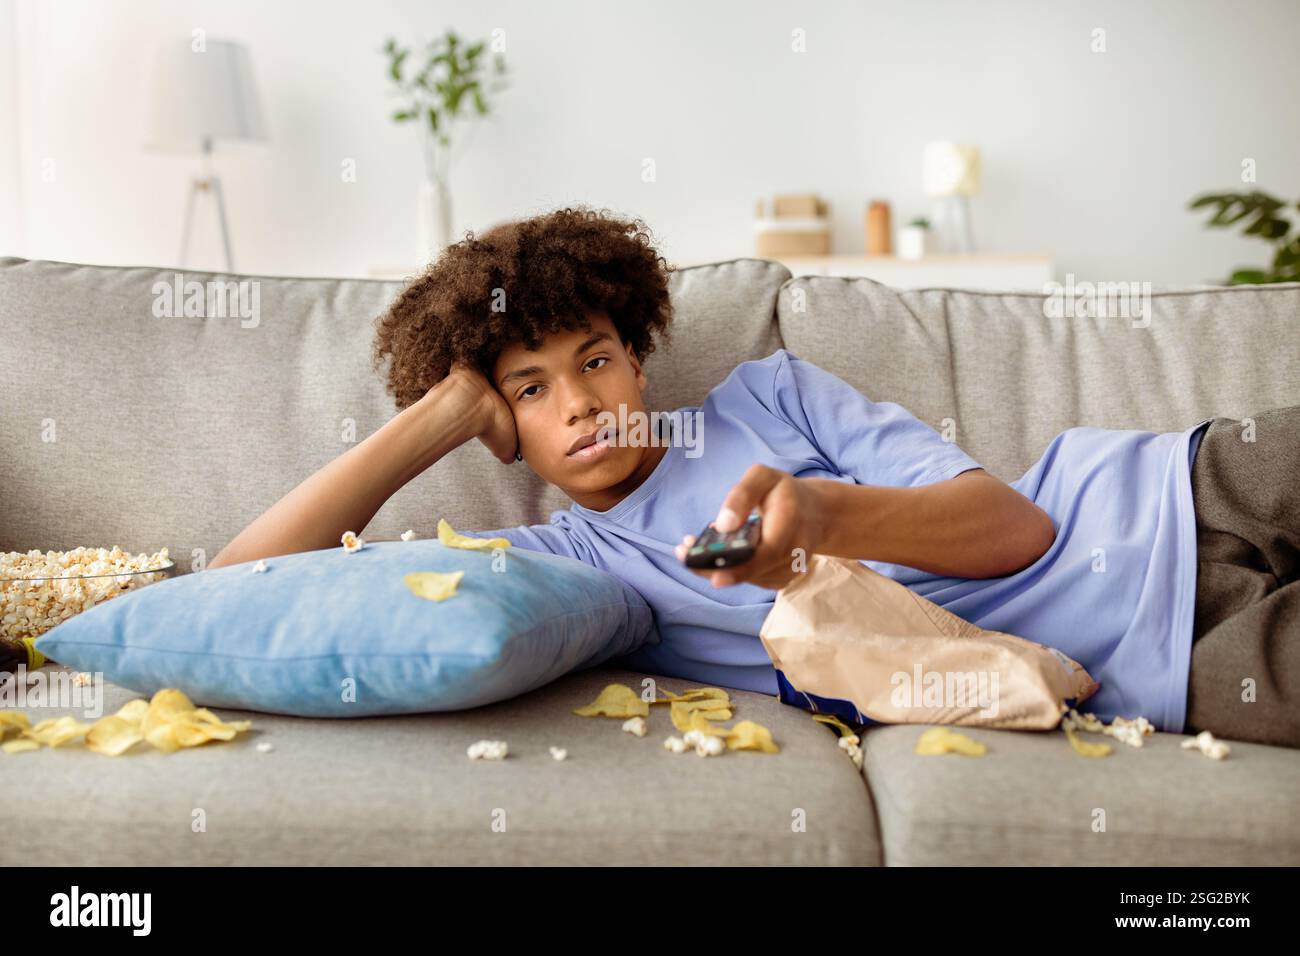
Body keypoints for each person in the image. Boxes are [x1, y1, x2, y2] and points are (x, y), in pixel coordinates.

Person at [210, 206, 1299, 748]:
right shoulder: (574, 568)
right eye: (529, 390)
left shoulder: (768, 396)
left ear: (637, 354)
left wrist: (823, 513)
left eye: (592, 359)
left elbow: (1013, 529)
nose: (580, 400)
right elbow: (231, 591)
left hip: (1187, 487)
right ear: (506, 428)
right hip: (1170, 662)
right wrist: (440, 415)